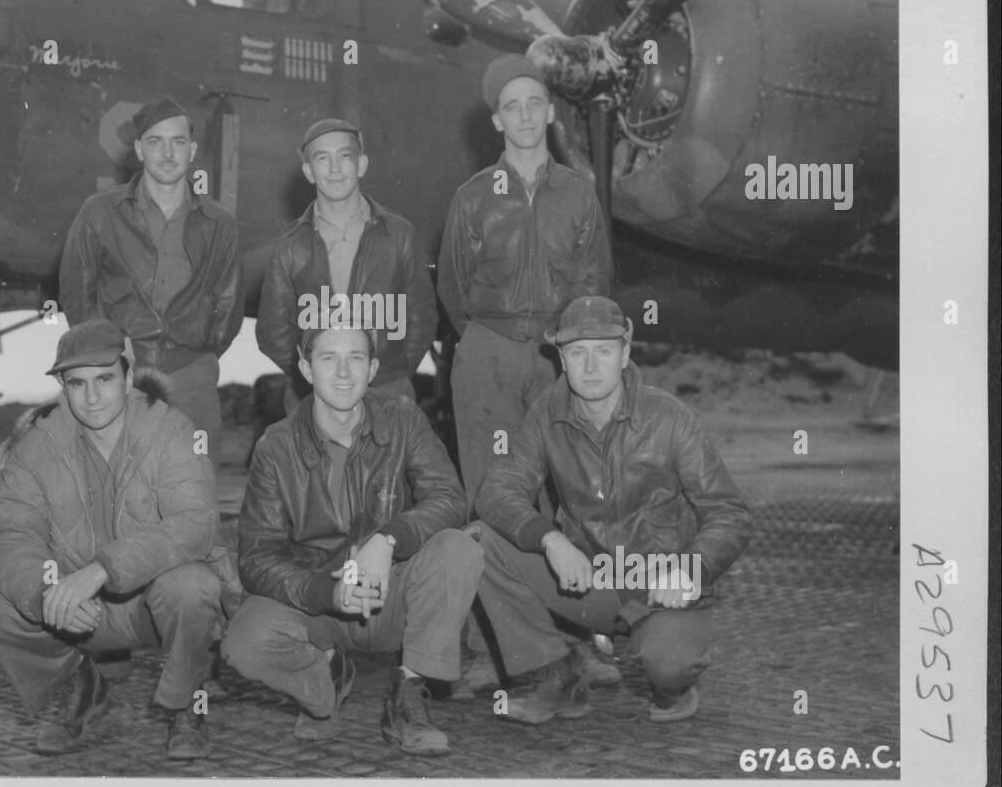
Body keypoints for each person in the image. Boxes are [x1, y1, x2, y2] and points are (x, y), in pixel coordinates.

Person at [474, 296, 751, 724]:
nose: (590, 366)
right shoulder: (547, 413)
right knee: (480, 542)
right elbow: (499, 488)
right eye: (577, 352)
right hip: (591, 581)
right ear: (561, 360)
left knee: (670, 664)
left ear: (624, 354)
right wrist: (548, 539)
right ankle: (557, 678)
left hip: (660, 585)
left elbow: (730, 513)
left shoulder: (670, 417)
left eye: (603, 350)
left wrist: (689, 570)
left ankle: (672, 689)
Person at [438, 54, 614, 693]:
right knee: (491, 496)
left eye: (534, 103)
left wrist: (566, 353)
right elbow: (455, 292)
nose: (524, 115)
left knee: (569, 496)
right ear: (496, 120)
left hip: (559, 358)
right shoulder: (473, 197)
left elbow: (596, 283)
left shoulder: (578, 192)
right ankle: (500, 647)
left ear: (548, 112)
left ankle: (578, 638)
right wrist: (491, 345)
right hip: (488, 353)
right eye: (511, 106)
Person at [222, 322, 482, 755]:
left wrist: (388, 540)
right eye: (329, 359)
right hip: (320, 601)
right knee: (243, 642)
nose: (343, 373)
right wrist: (328, 593)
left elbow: (449, 497)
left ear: (373, 367)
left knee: (459, 547)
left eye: (356, 358)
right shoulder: (276, 446)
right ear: (306, 368)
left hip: (389, 594)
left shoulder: (402, 419)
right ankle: (324, 677)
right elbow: (257, 557)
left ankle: (410, 693)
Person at [0, 319, 221, 760]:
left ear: (127, 375)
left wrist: (102, 570)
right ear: (62, 388)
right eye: (76, 383)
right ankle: (81, 684)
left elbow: (195, 524)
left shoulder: (173, 431)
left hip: (150, 602)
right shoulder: (37, 446)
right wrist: (46, 592)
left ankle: (186, 704)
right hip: (78, 610)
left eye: (105, 378)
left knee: (193, 585)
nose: (91, 396)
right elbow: (12, 535)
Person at [59, 95, 243, 470]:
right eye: (156, 142)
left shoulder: (219, 222)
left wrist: (197, 356)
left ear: (192, 151)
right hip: (120, 373)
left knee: (196, 491)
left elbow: (229, 304)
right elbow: (77, 295)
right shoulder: (98, 214)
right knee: (114, 491)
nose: (167, 153)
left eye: (177, 142)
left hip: (192, 376)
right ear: (140, 150)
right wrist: (110, 355)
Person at [256, 117, 438, 411]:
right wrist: (316, 377)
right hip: (313, 400)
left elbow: (422, 318)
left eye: (345, 156)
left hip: (388, 396)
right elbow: (272, 332)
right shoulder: (289, 245)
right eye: (322, 158)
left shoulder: (399, 234)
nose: (335, 168)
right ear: (308, 171)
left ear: (362, 164)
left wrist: (389, 373)